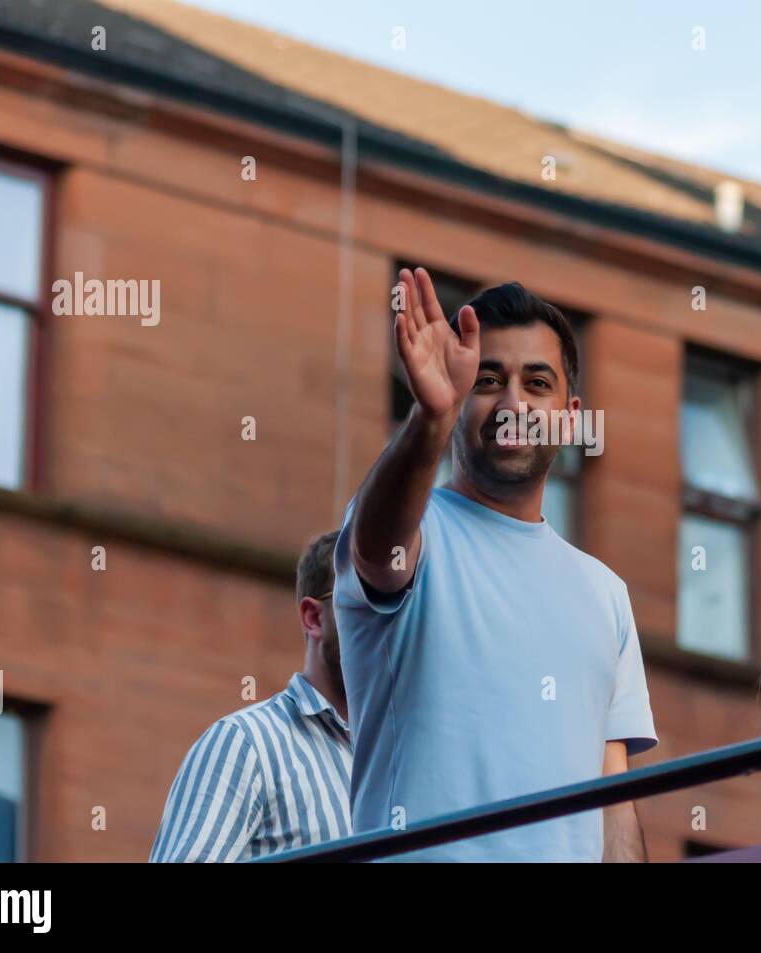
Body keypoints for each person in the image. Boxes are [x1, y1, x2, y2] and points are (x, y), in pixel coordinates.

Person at [332, 266, 657, 861]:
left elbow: (614, 805)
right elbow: (379, 555)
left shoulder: (605, 594)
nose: (513, 403)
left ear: (570, 412)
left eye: (537, 383)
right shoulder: (416, 528)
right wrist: (429, 419)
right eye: (488, 380)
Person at [149, 531, 353, 861]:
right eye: (367, 598)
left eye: (400, 600)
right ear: (315, 617)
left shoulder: (406, 761)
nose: (386, 618)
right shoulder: (246, 743)